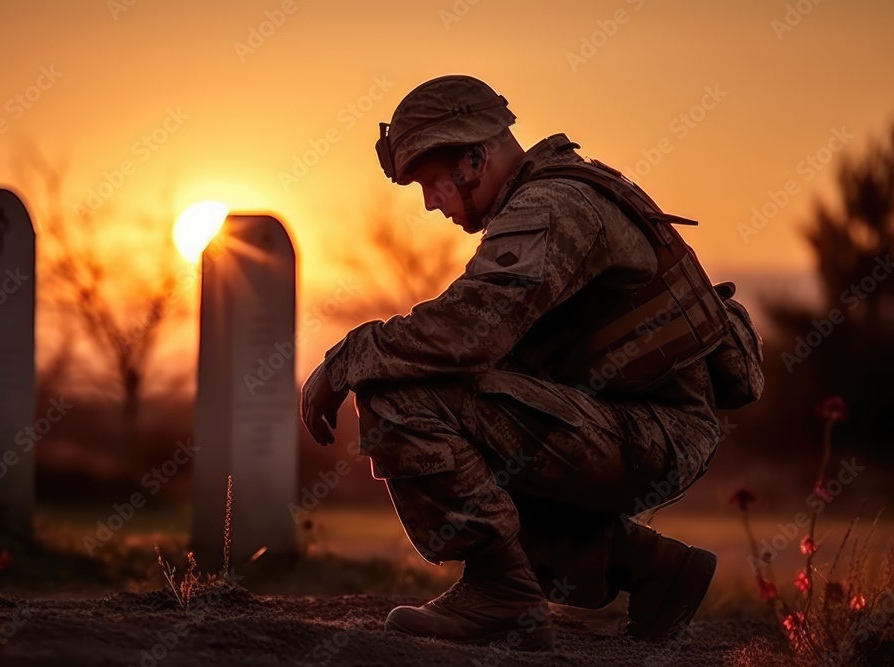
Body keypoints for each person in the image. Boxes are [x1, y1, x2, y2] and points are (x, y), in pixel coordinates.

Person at [300, 74, 759, 650]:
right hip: (642, 422)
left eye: (432, 182)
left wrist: (347, 356)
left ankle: (501, 595)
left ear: (473, 156)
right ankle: (652, 569)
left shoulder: (548, 206)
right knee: (460, 435)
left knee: (400, 399)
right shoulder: (548, 197)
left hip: (655, 432)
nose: (428, 202)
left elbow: (466, 333)